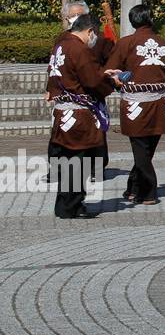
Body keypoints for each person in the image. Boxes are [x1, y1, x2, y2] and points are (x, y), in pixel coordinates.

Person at [105, 5, 165, 206]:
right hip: (160, 103)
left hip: (136, 103)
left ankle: (149, 191)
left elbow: (111, 71)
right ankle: (133, 187)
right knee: (147, 150)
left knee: (141, 149)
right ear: (151, 18)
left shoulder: (126, 43)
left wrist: (118, 78)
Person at [47, 13, 115, 219]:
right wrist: (111, 82)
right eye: (93, 35)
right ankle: (72, 205)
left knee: (69, 160)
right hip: (79, 113)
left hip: (63, 111)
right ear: (89, 31)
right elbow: (93, 81)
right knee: (78, 160)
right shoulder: (79, 49)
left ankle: (66, 204)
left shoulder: (60, 45)